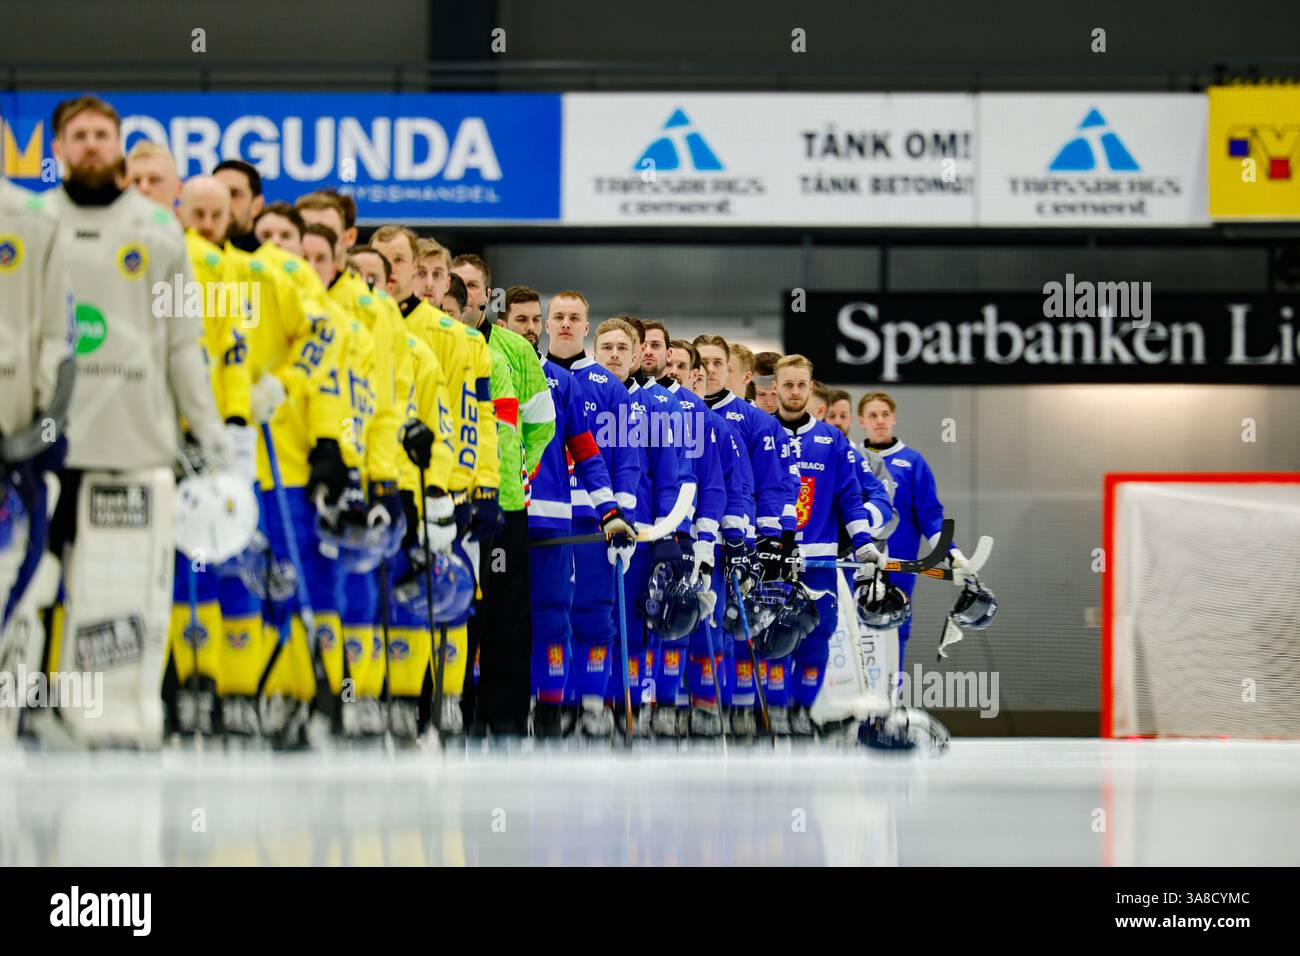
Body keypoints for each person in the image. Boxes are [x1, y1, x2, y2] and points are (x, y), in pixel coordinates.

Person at [39, 95, 231, 748]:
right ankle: (29, 717)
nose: (92, 145)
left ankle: (110, 726)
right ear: (58, 149)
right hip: (41, 447)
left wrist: (207, 435)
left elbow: (183, 342)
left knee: (117, 597)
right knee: (30, 589)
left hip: (132, 444)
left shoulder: (157, 231)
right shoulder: (31, 222)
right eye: (79, 135)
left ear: (118, 147)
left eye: (102, 134)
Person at [448, 253, 555, 735]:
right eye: (460, 284)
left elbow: (541, 422)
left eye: (475, 286)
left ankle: (506, 716)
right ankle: (457, 710)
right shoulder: (438, 339)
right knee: (456, 605)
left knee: (507, 614)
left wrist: (520, 468)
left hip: (507, 502)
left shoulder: (515, 348)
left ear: (487, 294)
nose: (467, 293)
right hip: (453, 498)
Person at [772, 356, 893, 736]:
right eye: (787, 385)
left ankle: (800, 713)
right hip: (771, 560)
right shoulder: (760, 432)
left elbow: (850, 497)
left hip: (820, 560)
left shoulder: (831, 441)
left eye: (800, 385)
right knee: (772, 637)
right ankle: (773, 713)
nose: (794, 392)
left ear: (811, 390)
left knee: (816, 637)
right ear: (775, 388)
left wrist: (862, 543)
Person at [543, 290, 640, 737]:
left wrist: (621, 515)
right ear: (547, 324)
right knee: (547, 615)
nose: (565, 323)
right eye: (558, 316)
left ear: (587, 327)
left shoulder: (610, 386)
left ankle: (593, 705)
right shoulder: (530, 375)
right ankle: (550, 701)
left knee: (595, 615)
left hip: (595, 524)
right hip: (544, 520)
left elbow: (628, 456)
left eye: (574, 317)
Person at [0, 174, 73, 746]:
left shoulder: (34, 219)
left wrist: (43, 428)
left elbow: (60, 342)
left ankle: (12, 709)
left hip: (17, 446)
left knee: (24, 580)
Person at [858, 391, 972, 669]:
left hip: (900, 565)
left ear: (894, 418)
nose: (880, 421)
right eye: (873, 415)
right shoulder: (851, 457)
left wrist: (951, 552)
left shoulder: (913, 462)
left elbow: (930, 516)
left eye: (885, 414)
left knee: (896, 627)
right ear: (861, 421)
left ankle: (891, 703)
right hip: (856, 562)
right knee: (850, 631)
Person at [212, 159, 264, 254]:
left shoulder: (271, 262)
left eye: (234, 194)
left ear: (257, 206)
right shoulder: (188, 255)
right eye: (218, 191)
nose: (224, 200)